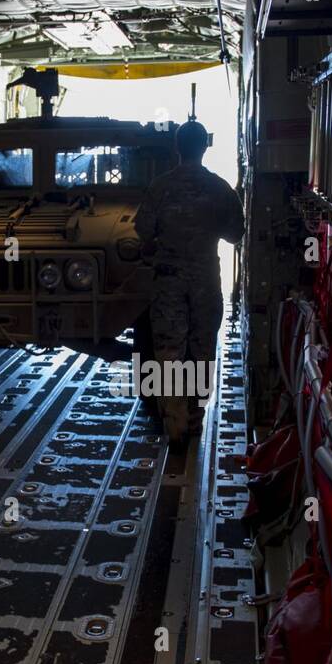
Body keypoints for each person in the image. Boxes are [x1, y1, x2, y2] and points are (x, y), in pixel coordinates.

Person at [134, 120, 243, 442]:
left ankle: (175, 424)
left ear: (177, 148)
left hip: (168, 283)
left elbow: (143, 230)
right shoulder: (221, 188)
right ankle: (194, 417)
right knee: (201, 349)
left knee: (168, 351)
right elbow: (235, 234)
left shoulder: (159, 187)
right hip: (206, 281)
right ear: (205, 147)